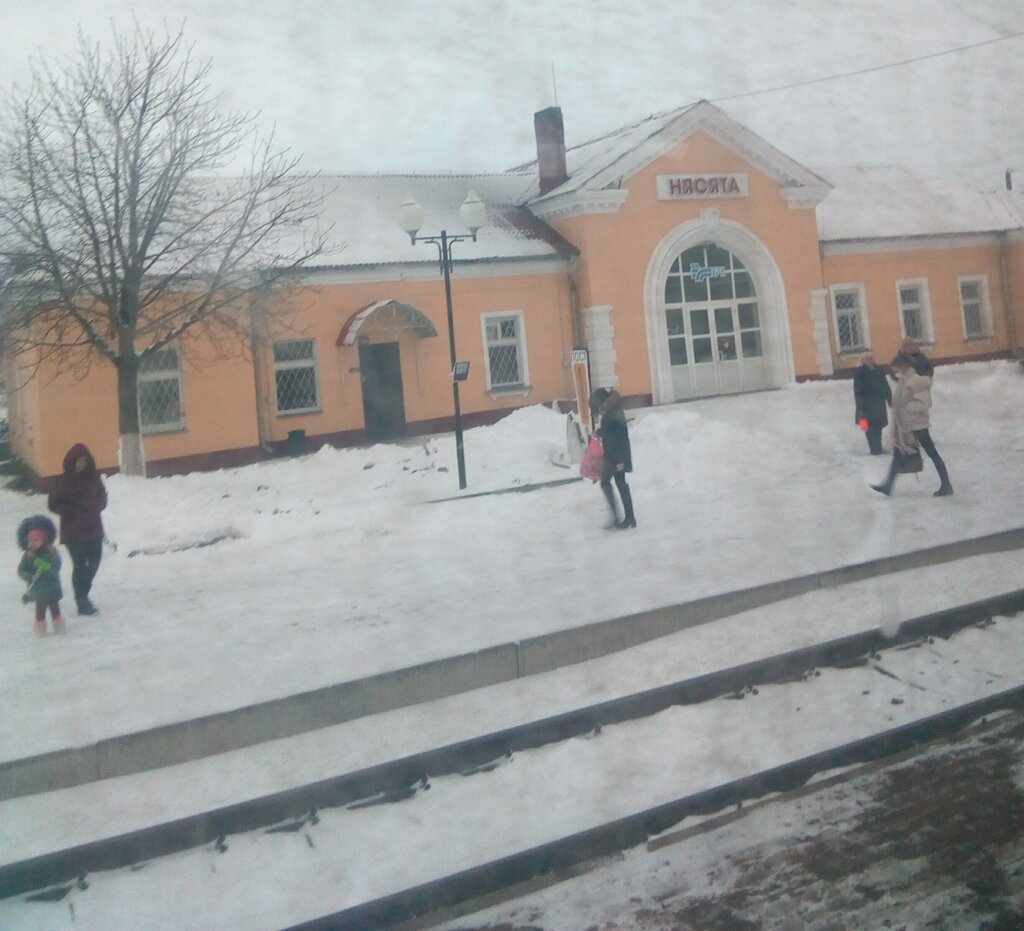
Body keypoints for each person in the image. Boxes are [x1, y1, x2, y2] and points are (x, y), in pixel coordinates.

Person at [871, 352, 953, 498]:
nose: (895, 372)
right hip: (906, 426)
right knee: (899, 453)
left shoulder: (916, 382)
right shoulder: (904, 382)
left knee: (932, 453)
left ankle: (946, 484)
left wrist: (907, 408)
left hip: (918, 425)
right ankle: (888, 486)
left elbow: (925, 403)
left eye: (896, 369)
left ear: (904, 367)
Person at [48, 443, 107, 615]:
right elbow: (53, 503)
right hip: (73, 531)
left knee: (94, 562)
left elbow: (102, 495)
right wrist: (70, 512)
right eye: (78, 460)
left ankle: (83, 592)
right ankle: (82, 601)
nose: (81, 463)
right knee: (80, 565)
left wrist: (99, 505)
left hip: (94, 527)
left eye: (84, 460)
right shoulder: (63, 480)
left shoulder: (94, 478)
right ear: (71, 461)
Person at [590, 387, 636, 529]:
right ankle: (629, 517)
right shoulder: (611, 411)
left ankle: (622, 517)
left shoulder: (612, 413)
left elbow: (619, 436)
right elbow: (611, 432)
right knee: (620, 484)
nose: (598, 409)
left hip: (616, 456)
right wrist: (600, 432)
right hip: (614, 455)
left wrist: (620, 459)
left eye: (597, 405)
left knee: (607, 483)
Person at [17, 515, 65, 636]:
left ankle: (58, 624)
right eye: (30, 541)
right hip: (37, 589)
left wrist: (47, 569)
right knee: (40, 608)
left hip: (51, 587)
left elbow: (57, 566)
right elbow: (21, 570)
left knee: (54, 607)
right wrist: (29, 576)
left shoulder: (51, 552)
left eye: (36, 541)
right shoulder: (28, 556)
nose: (33, 544)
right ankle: (40, 627)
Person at [852, 350, 891, 455]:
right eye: (867, 358)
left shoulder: (879, 370)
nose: (869, 360)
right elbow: (857, 389)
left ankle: (878, 447)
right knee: (868, 426)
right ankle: (874, 448)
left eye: (871, 358)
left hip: (878, 401)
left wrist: (890, 399)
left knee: (878, 425)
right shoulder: (859, 372)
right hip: (866, 403)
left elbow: (885, 385)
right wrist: (860, 404)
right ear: (863, 360)